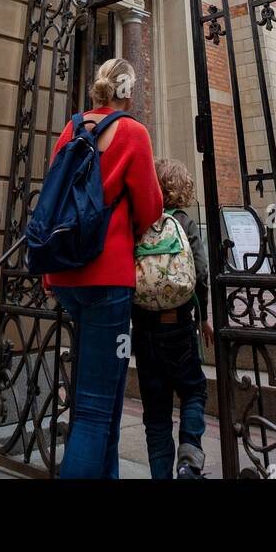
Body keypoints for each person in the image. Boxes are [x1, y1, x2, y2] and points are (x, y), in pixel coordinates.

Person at [45, 57, 162, 480]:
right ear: (127, 90)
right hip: (106, 278)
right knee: (94, 410)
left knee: (105, 395)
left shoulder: (72, 127)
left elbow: (53, 199)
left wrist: (48, 273)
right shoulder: (132, 132)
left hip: (65, 275)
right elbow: (151, 207)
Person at [131, 158, 214, 479]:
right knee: (193, 391)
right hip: (177, 325)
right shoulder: (185, 224)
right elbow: (201, 273)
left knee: (155, 414)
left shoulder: (140, 222)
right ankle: (189, 460)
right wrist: (203, 315)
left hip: (143, 328)